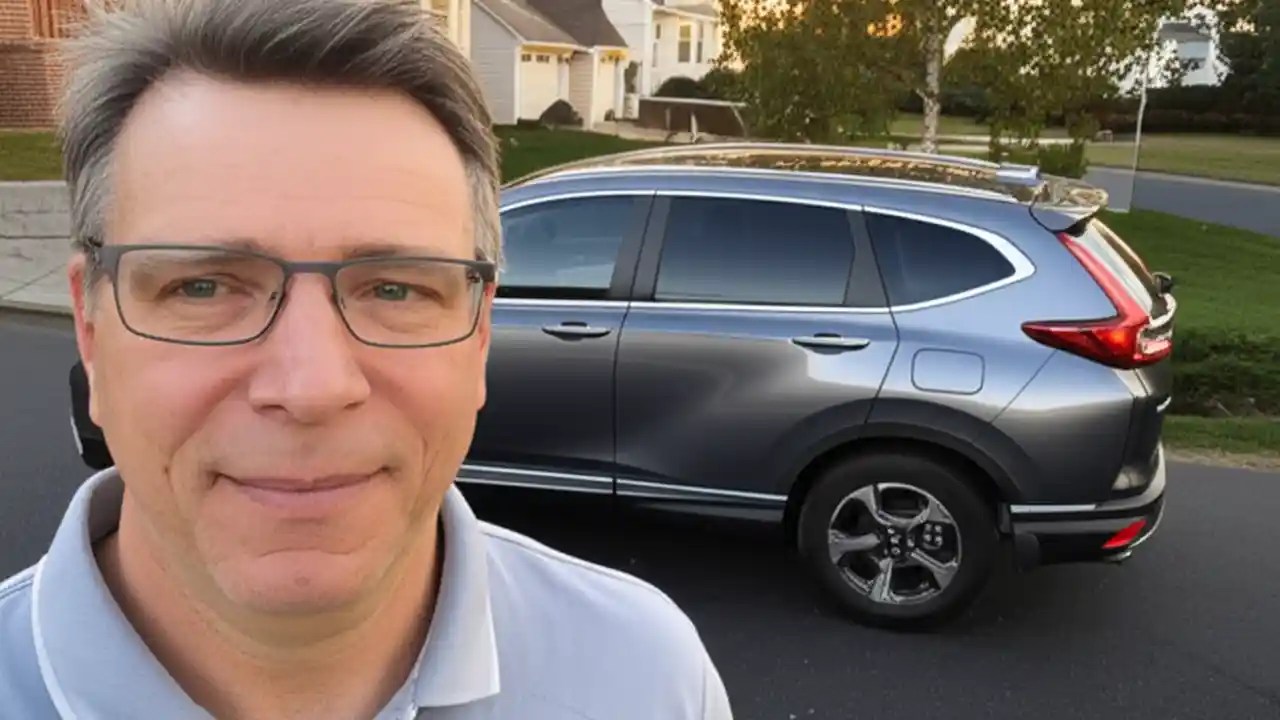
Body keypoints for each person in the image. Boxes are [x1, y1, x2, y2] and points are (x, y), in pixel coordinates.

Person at [0, 1, 733, 718]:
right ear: (91, 331)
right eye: (203, 285)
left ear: (479, 337)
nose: (313, 386)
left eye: (395, 288)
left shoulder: (648, 677)